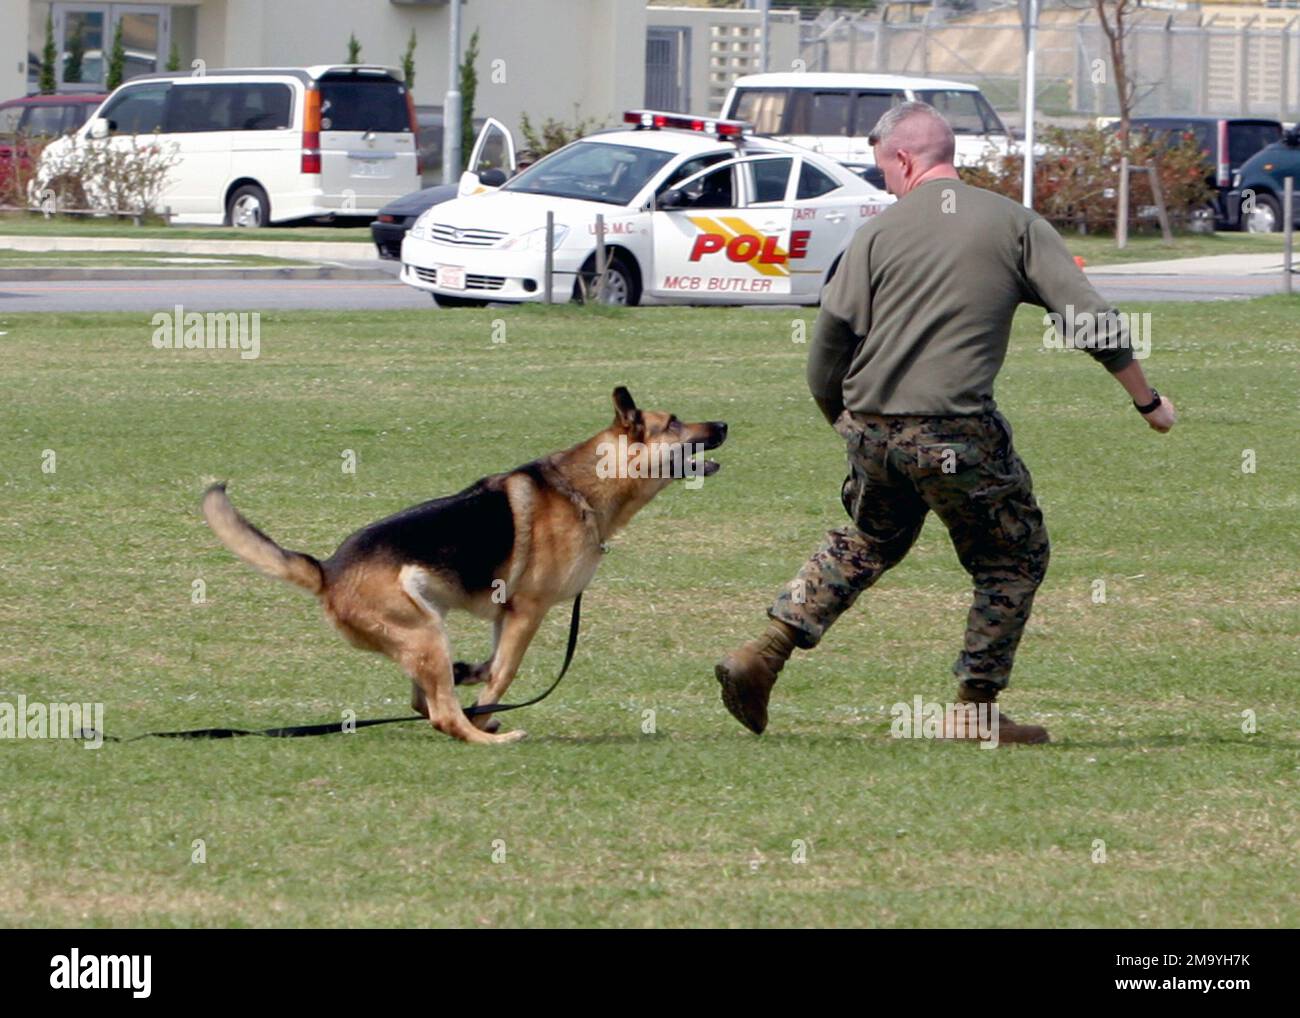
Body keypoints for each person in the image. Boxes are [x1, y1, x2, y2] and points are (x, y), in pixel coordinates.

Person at [715, 101, 1176, 745]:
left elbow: (827, 352)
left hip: (874, 427)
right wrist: (1147, 402)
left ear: (904, 158)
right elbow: (1088, 320)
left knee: (869, 540)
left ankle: (762, 652)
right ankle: (973, 709)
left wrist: (849, 426)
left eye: (883, 170)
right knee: (1013, 556)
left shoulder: (875, 234)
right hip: (955, 431)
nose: (885, 183)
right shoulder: (1013, 223)